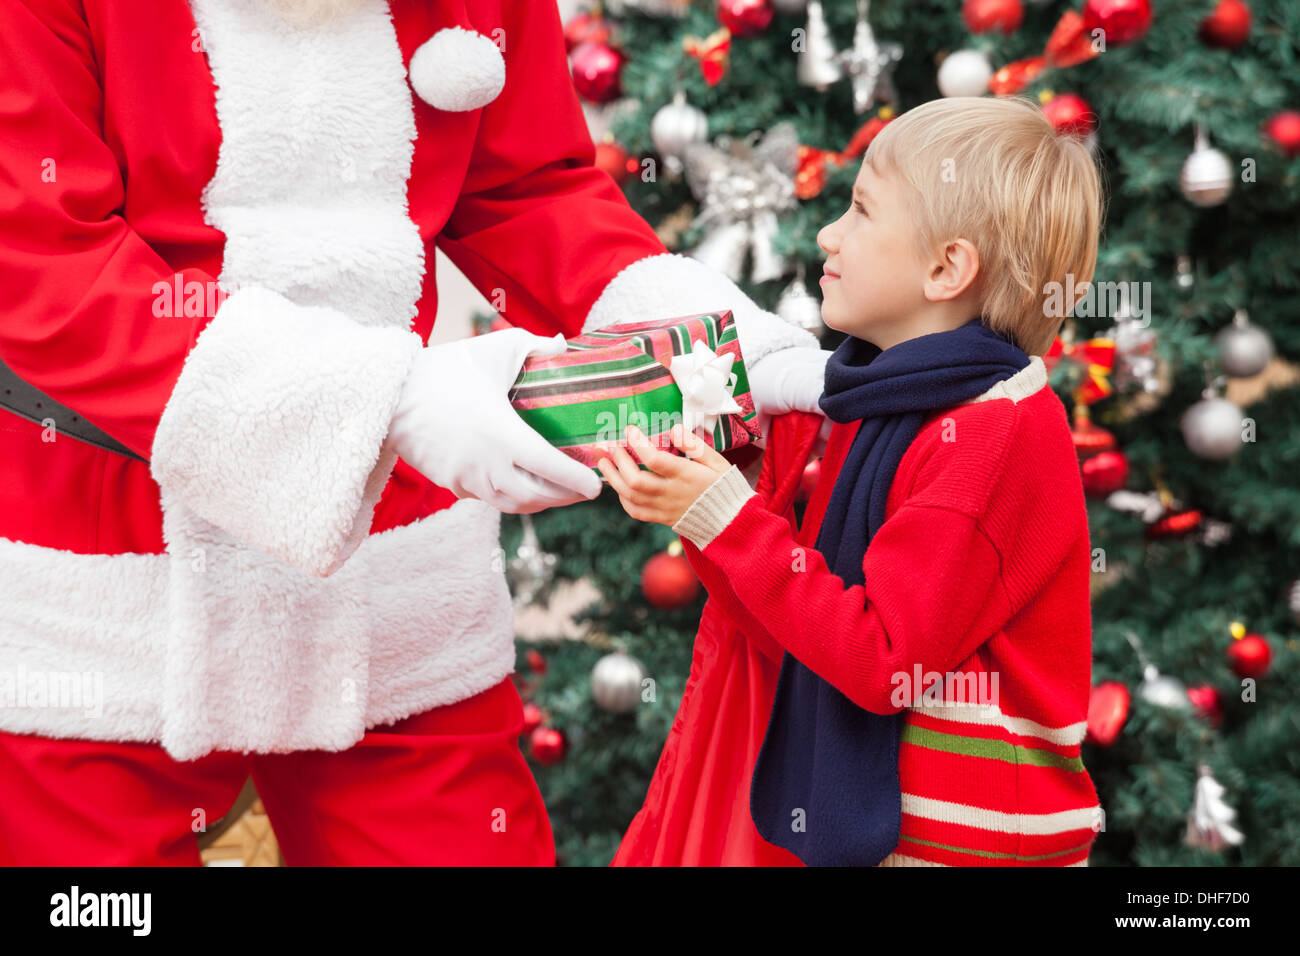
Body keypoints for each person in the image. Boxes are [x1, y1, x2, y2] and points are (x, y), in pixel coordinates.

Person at [0, 0, 830, 865]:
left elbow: (528, 188)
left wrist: (725, 350)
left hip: (390, 547)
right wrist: (392, 402)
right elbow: (44, 262)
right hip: (103, 542)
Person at [599, 96, 1105, 866]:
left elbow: (884, 663)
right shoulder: (888, 399)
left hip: (966, 844)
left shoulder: (991, 433)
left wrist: (730, 522)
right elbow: (803, 636)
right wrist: (714, 506)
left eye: (862, 211)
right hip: (902, 831)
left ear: (947, 268)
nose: (829, 234)